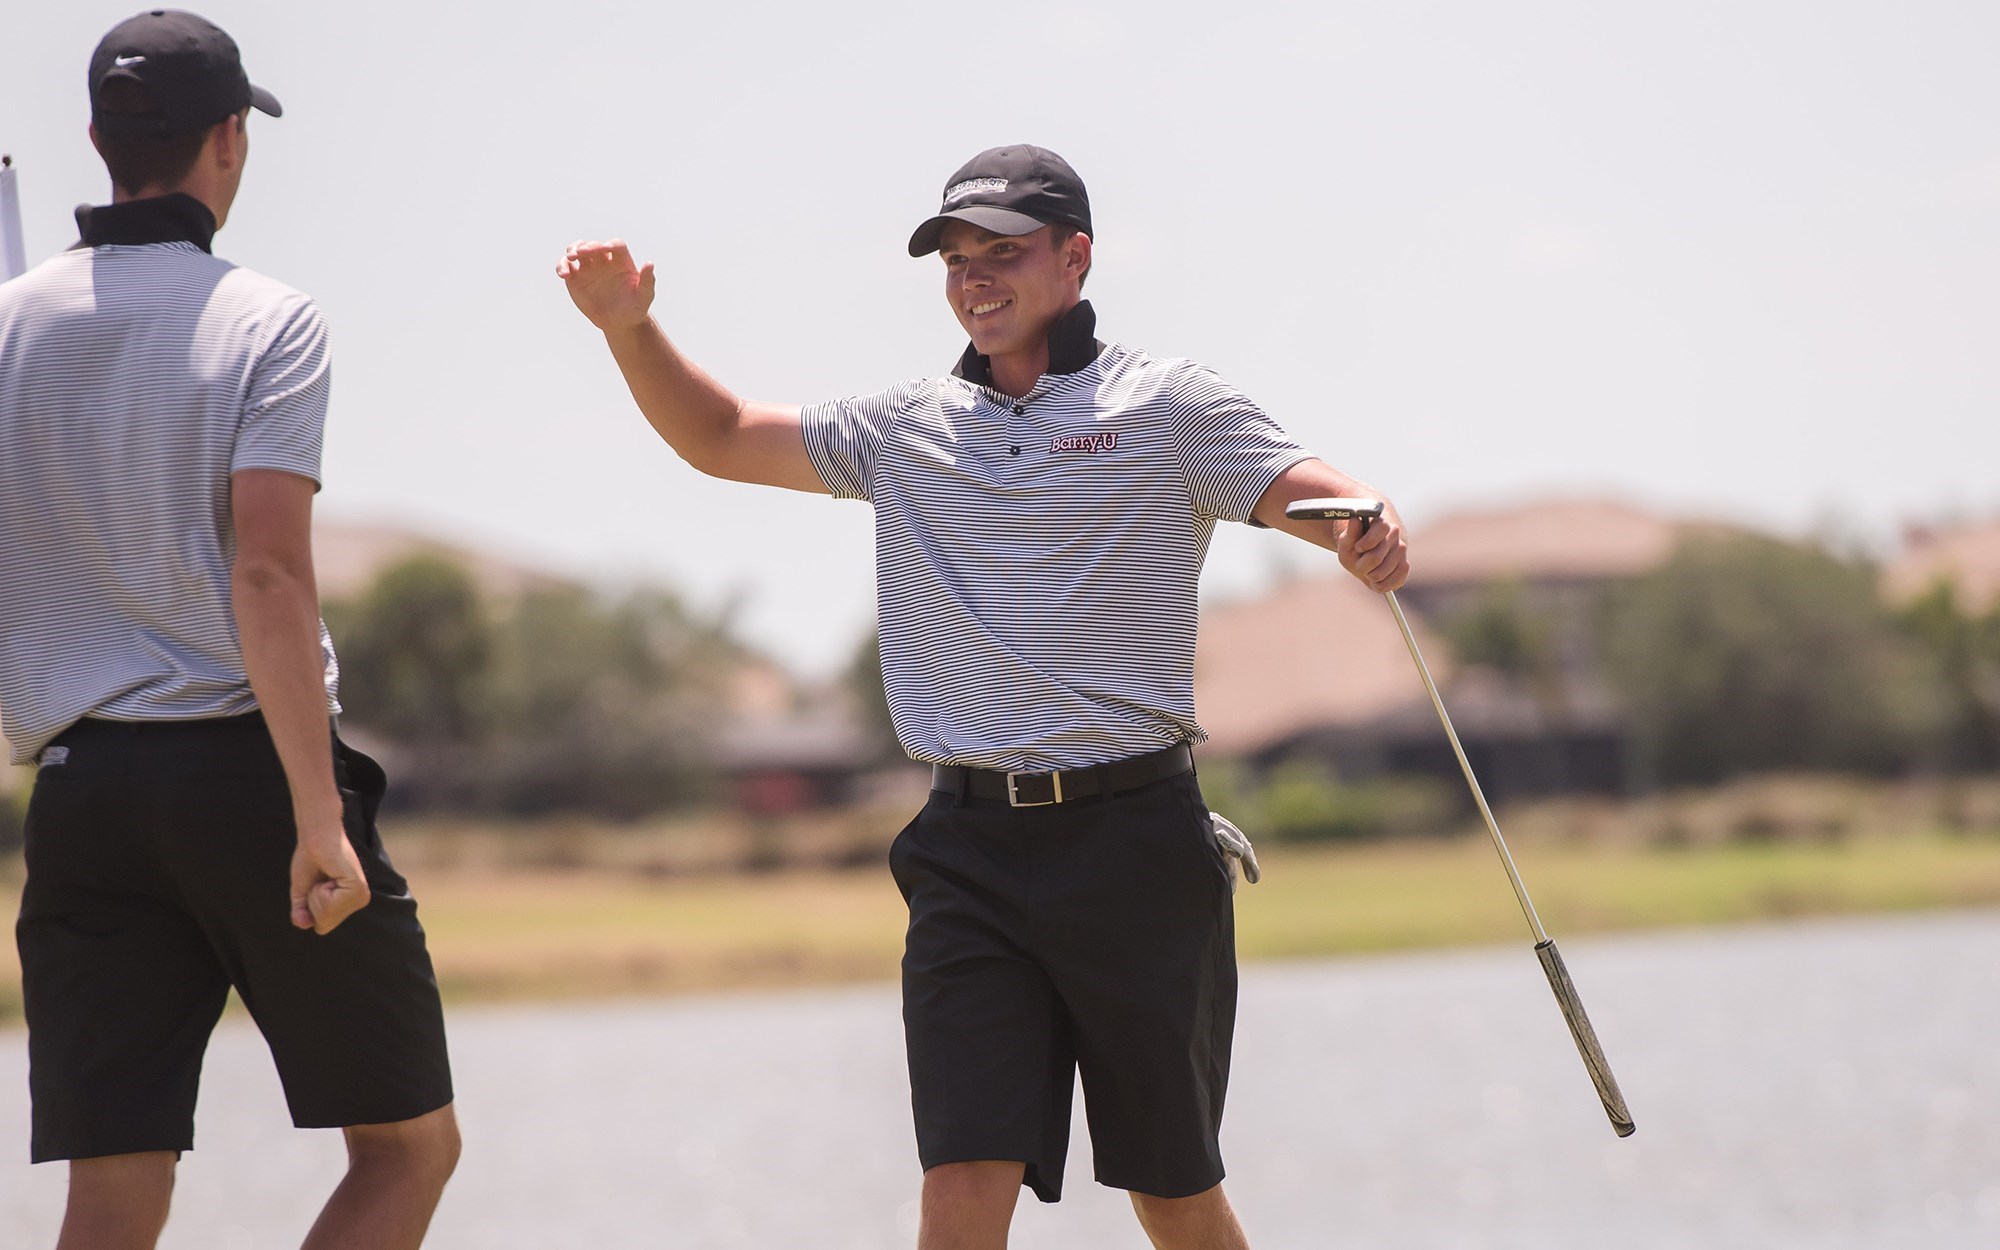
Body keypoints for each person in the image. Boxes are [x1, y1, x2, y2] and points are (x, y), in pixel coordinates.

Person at [558, 143, 1409, 1250]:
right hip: (966, 851)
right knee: (961, 1183)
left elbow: (1307, 491)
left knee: (1171, 1190)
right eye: (956, 259)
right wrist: (628, 326)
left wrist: (1360, 520)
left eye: (1002, 253)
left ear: (1075, 260)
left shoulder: (1167, 405)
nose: (974, 279)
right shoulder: (897, 428)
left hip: (1136, 845)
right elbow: (718, 435)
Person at [0, 11, 458, 1248]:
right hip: (247, 778)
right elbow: (268, 575)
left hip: (80, 795)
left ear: (97, 136)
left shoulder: (6, 322)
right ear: (227, 142)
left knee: (111, 1183)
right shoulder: (268, 317)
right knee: (411, 1145)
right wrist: (318, 815)